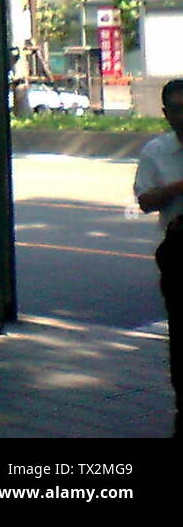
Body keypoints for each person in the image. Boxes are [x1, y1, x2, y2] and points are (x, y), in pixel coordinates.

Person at [134, 78, 183, 439]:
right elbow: (145, 201)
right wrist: (179, 187)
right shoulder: (156, 152)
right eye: (177, 109)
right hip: (180, 249)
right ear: (166, 114)